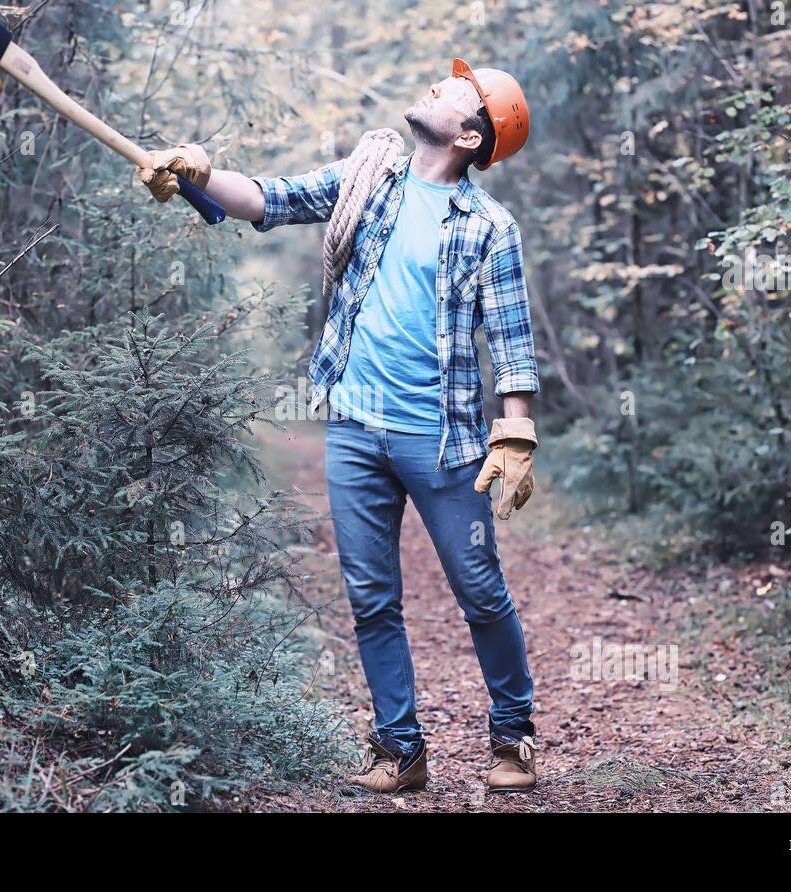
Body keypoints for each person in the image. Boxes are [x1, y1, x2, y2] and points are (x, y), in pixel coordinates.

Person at [138, 60, 540, 794]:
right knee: (370, 595)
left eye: (455, 89)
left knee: (479, 588)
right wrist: (197, 173)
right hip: (355, 429)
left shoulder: (490, 227)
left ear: (472, 131)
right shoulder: (372, 175)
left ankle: (513, 734)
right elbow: (270, 198)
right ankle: (400, 747)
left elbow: (512, 344)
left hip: (442, 441)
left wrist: (515, 434)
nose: (436, 85)